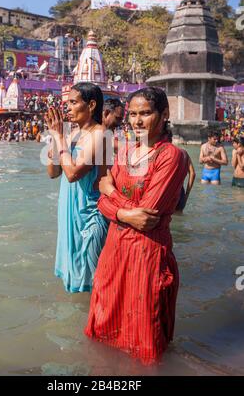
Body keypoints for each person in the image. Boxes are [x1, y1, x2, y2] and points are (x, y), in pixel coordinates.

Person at [85, 87, 188, 365]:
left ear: (164, 115)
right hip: (114, 251)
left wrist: (111, 194)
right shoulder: (125, 152)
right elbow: (101, 204)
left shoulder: (171, 156)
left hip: (147, 255)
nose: (137, 121)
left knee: (144, 339)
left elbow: (147, 216)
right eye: (132, 114)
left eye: (146, 113)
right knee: (105, 330)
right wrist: (122, 210)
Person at [45, 82, 109, 293]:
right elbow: (54, 173)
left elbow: (72, 174)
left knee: (93, 285)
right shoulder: (72, 135)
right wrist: (56, 140)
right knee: (74, 283)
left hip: (89, 217)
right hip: (70, 215)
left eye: (73, 102)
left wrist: (58, 136)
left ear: (91, 105)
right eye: (67, 103)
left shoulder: (100, 135)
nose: (68, 108)